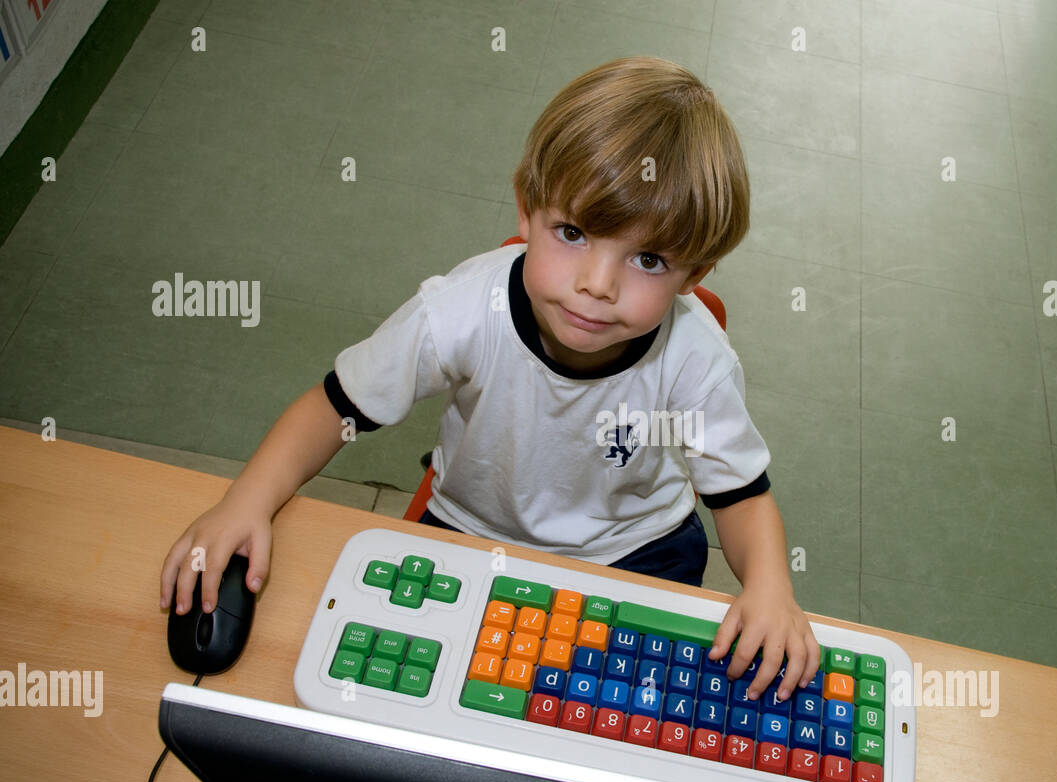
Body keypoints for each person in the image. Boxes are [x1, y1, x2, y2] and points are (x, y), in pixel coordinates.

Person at [160, 57, 819, 701]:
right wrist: (246, 501)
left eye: (648, 259)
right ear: (526, 211)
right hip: (472, 528)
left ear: (693, 275)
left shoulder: (696, 359)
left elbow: (741, 496)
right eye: (572, 232)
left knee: (620, 716)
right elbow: (334, 408)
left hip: (639, 547)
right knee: (408, 693)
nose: (597, 285)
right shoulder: (459, 310)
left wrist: (769, 585)